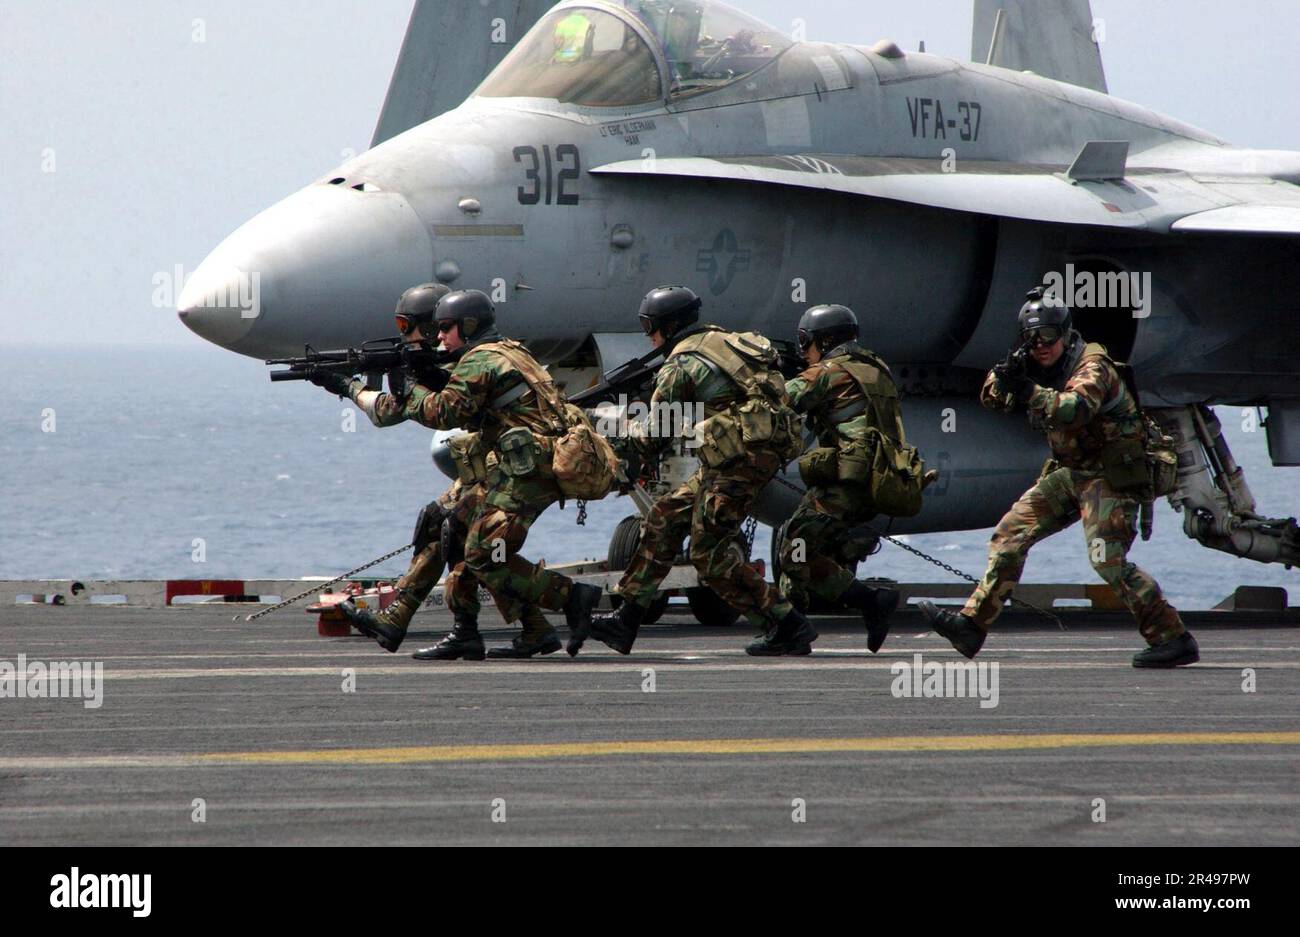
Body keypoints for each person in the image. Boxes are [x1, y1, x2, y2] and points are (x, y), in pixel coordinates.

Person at [919, 288, 1199, 668]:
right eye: (1032, 338)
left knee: (1108, 561)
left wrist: (1027, 389)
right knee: (1010, 536)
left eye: (1048, 336)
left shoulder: (1093, 367)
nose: (1041, 345)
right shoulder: (1036, 365)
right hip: (1073, 473)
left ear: (1065, 333)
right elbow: (993, 400)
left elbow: (1074, 410)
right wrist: (1005, 377)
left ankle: (1173, 638)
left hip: (1109, 475)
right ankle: (971, 626)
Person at [310, 283, 561, 658]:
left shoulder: (468, 361)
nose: (405, 335)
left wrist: (352, 388)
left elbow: (398, 411)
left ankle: (558, 608)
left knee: (467, 539)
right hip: (501, 463)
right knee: (444, 526)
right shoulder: (466, 355)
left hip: (514, 467)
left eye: (407, 325)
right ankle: (457, 626)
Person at [590, 285, 817, 657]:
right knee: (665, 517)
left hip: (737, 463)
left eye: (650, 326)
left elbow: (653, 438)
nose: (649, 336)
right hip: (746, 455)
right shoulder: (726, 342)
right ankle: (626, 619)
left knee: (708, 556)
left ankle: (787, 624)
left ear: (668, 325)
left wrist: (608, 430)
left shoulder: (681, 364)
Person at [387, 288, 603, 660]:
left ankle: (573, 597)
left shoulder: (480, 359)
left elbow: (445, 413)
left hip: (530, 471)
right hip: (529, 464)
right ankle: (522, 632)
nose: (440, 336)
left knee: (485, 555)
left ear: (469, 327)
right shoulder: (507, 350)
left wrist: (409, 389)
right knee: (457, 526)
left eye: (447, 327)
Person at [781, 304, 902, 653]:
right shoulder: (875, 367)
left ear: (825, 341)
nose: (803, 350)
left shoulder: (827, 373)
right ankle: (791, 629)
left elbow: (780, 401)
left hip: (845, 483)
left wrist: (772, 374)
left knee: (793, 551)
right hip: (877, 478)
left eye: (805, 342)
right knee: (801, 542)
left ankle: (869, 601)